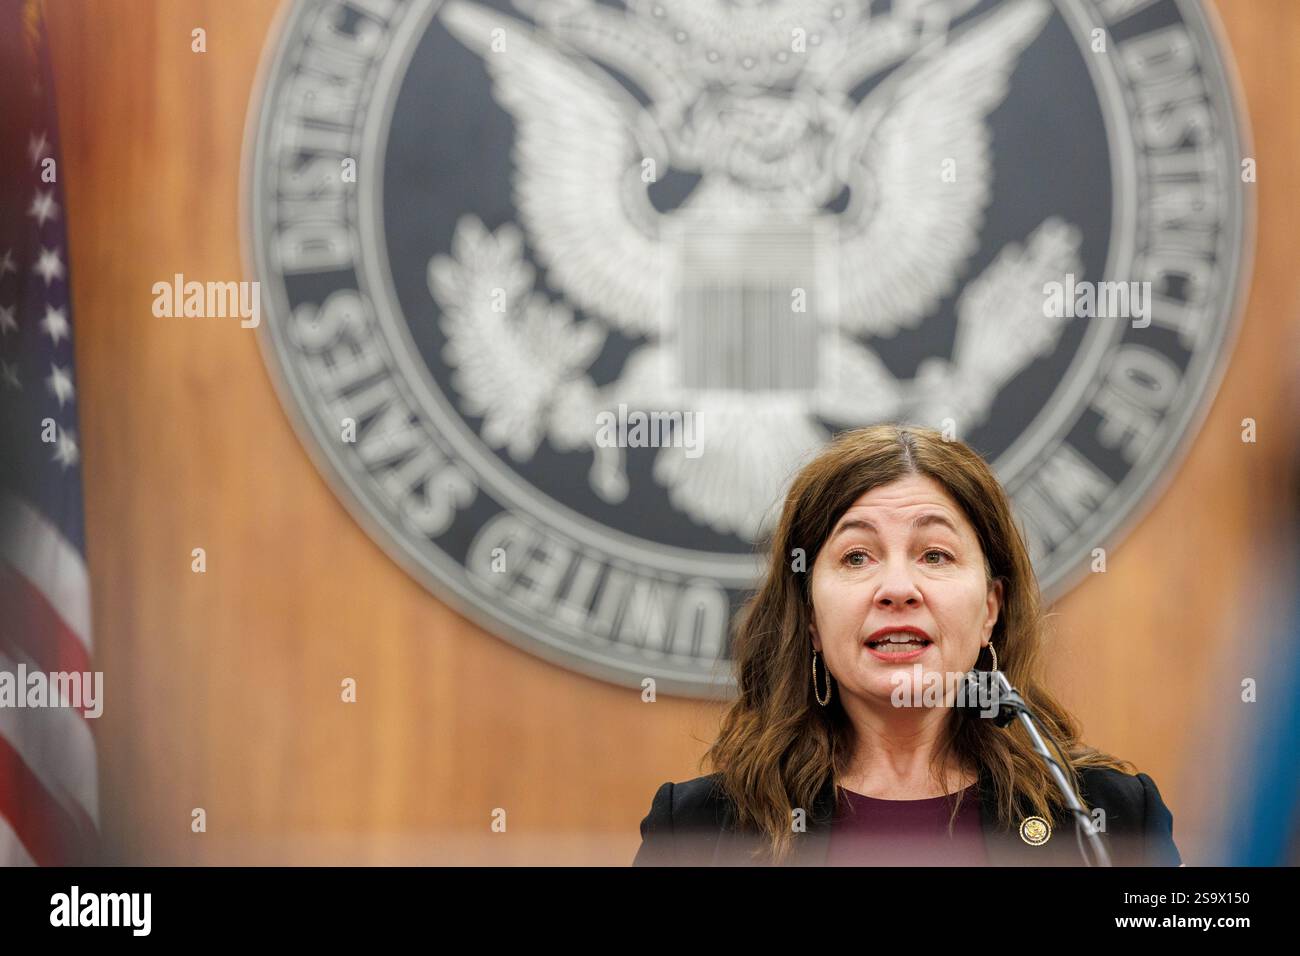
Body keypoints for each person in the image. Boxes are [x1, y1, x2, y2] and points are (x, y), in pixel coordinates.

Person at [633, 423, 1182, 866]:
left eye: (935, 555)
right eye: (856, 557)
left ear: (990, 608)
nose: (897, 589)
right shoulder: (703, 831)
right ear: (811, 618)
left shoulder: (1106, 818)